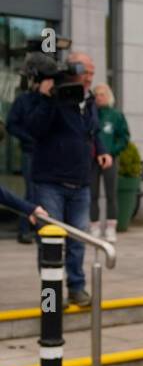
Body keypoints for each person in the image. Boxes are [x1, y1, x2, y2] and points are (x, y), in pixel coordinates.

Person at [23, 50, 108, 307]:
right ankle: (53, 291)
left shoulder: (88, 100)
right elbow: (34, 129)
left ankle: (77, 287)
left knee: (79, 239)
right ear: (71, 71)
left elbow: (90, 132)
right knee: (50, 238)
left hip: (80, 182)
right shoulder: (50, 97)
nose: (89, 78)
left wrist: (102, 151)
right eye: (85, 72)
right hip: (50, 181)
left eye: (92, 73)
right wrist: (49, 98)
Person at [91, 83, 130, 241]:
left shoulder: (116, 115)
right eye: (96, 94)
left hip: (110, 160)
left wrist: (111, 152)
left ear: (108, 96)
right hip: (92, 160)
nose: (99, 97)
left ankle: (110, 228)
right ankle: (93, 226)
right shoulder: (91, 114)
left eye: (102, 94)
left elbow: (124, 138)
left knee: (111, 194)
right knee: (92, 194)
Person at [5, 81, 41, 243]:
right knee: (32, 191)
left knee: (46, 192)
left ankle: (41, 229)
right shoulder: (23, 101)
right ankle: (25, 229)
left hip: (50, 155)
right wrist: (28, 138)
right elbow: (11, 124)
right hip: (30, 152)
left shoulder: (54, 100)